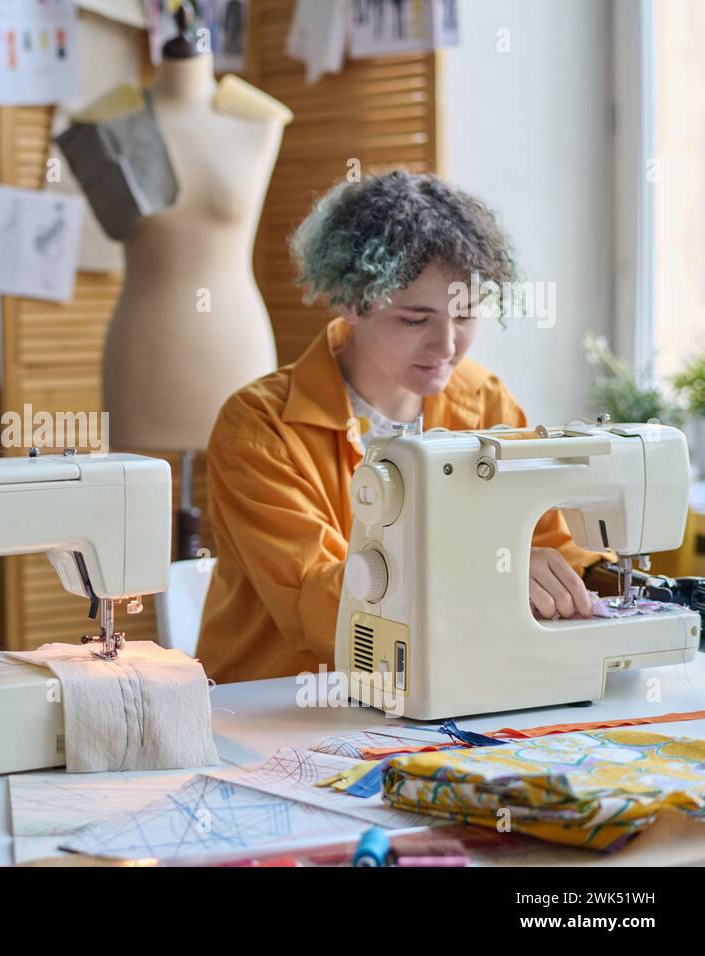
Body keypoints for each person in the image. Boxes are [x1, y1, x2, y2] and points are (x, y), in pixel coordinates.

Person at [196, 170, 609, 685]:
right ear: (350, 301)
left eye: (465, 316)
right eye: (416, 320)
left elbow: (552, 537)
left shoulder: (485, 402)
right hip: (281, 704)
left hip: (443, 691)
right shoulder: (259, 429)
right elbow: (318, 601)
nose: (447, 347)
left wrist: (610, 582)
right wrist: (488, 574)